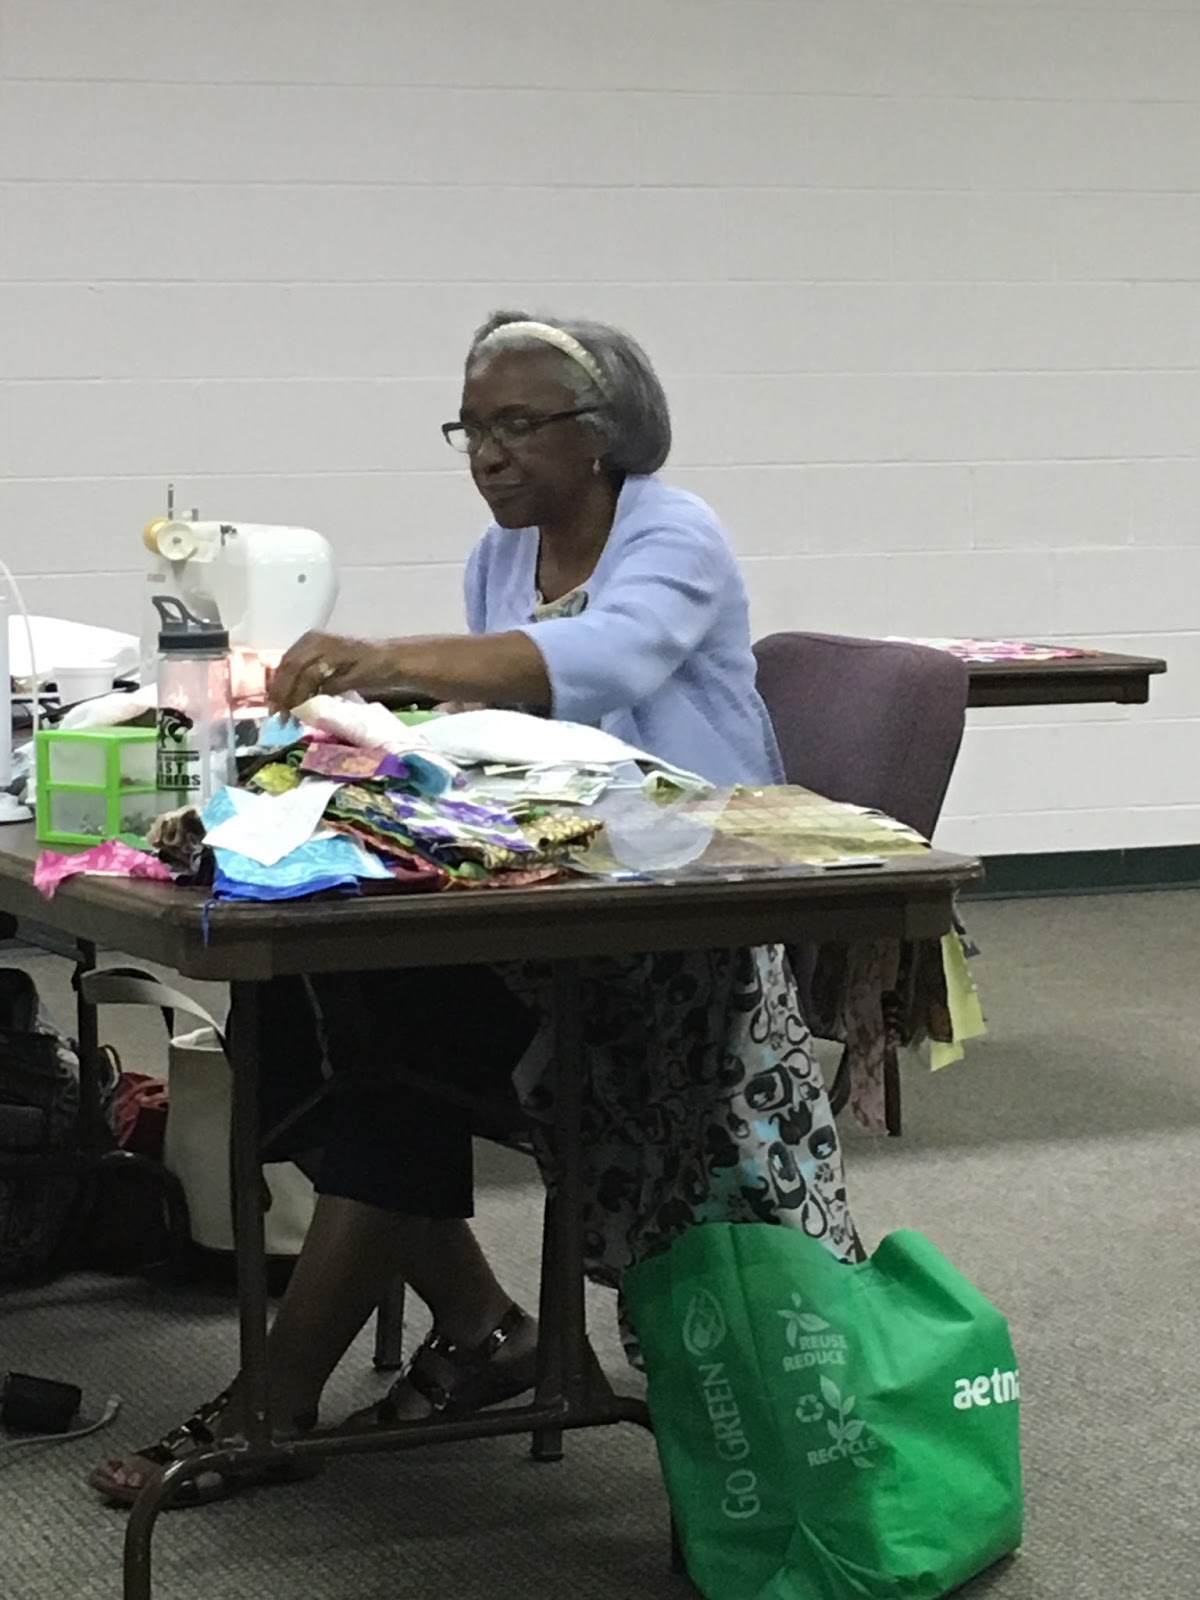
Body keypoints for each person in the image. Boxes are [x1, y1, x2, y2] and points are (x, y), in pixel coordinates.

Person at [91, 312, 856, 1506]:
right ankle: (487, 1327)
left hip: (674, 922)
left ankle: (272, 1404)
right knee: (302, 1003)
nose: (489, 455)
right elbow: (515, 739)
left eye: (517, 425)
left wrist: (381, 663)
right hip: (546, 886)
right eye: (472, 429)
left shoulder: (675, 536)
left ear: (600, 437)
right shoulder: (501, 557)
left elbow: (594, 669)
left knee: (399, 1041)